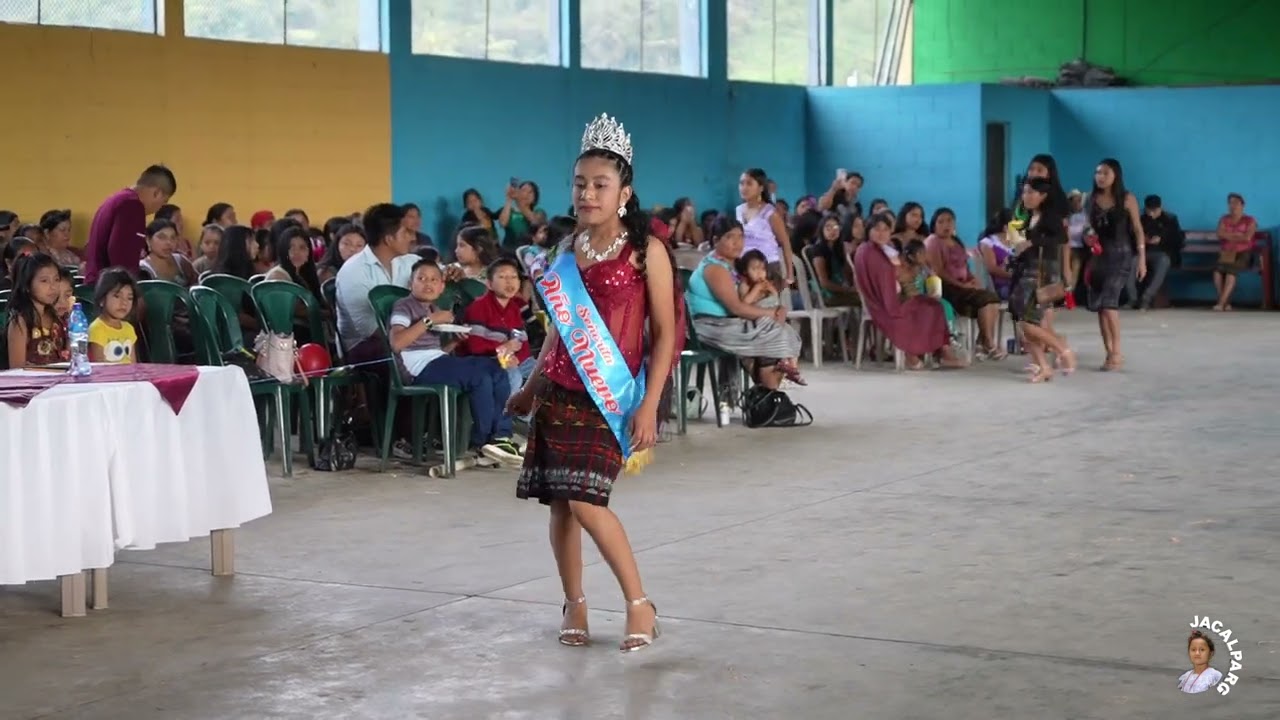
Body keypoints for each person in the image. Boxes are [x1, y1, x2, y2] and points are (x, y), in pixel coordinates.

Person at [506, 113, 679, 653]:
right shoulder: (565, 250)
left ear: (624, 192)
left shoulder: (646, 251)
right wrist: (530, 389)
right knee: (561, 503)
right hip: (559, 393)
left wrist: (650, 405)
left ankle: (639, 605)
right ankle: (574, 602)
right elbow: (561, 331)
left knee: (586, 501)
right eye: (580, 184)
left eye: (600, 185)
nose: (587, 194)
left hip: (611, 400)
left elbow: (665, 335)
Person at [389, 260, 523, 466]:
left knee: (496, 367)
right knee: (478, 376)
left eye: (434, 280)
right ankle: (483, 440)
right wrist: (429, 321)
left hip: (436, 360)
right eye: (421, 278)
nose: (428, 284)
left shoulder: (434, 307)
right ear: (410, 283)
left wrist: (453, 341)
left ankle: (501, 437)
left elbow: (435, 352)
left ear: (442, 287)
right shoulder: (404, 305)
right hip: (416, 368)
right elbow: (397, 343)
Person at [1006, 178, 1076, 382]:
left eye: (1030, 193)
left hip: (1043, 272)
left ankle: (1062, 350)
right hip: (1026, 270)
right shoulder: (1026, 217)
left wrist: (1032, 242)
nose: (1026, 197)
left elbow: (1061, 240)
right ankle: (1043, 367)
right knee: (1022, 323)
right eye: (1024, 192)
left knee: (1028, 322)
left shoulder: (1051, 217)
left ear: (1043, 196)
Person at [1086, 159, 1146, 371]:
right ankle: (1108, 351)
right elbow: (1087, 228)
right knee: (1101, 307)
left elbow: (1138, 230)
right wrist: (1088, 237)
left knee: (1110, 303)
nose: (1100, 177)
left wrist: (1142, 259)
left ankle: (1117, 351)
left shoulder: (1127, 199)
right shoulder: (1091, 199)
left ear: (1116, 176)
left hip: (1121, 255)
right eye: (1097, 172)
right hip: (1098, 257)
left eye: (1105, 173)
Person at [83, 165, 177, 283]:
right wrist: (132, 292)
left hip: (97, 283)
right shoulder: (133, 206)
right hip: (110, 290)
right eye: (163, 202)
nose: (159, 208)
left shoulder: (116, 199)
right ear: (157, 193)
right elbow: (121, 258)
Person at [1128, 194, 1182, 309]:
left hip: (1162, 252)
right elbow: (1132, 236)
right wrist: (1144, 240)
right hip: (1143, 252)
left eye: (1154, 210)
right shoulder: (1141, 219)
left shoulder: (1170, 219)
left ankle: (1147, 297)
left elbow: (1178, 239)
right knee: (1132, 262)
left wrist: (1161, 240)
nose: (1152, 213)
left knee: (1163, 262)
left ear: (1160, 207)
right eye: (1149, 210)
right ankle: (1132, 298)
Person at [88, 268, 138, 364]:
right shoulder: (97, 328)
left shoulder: (129, 329)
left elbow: (133, 365)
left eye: (129, 298)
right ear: (102, 299)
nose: (124, 303)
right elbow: (99, 366)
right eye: (117, 296)